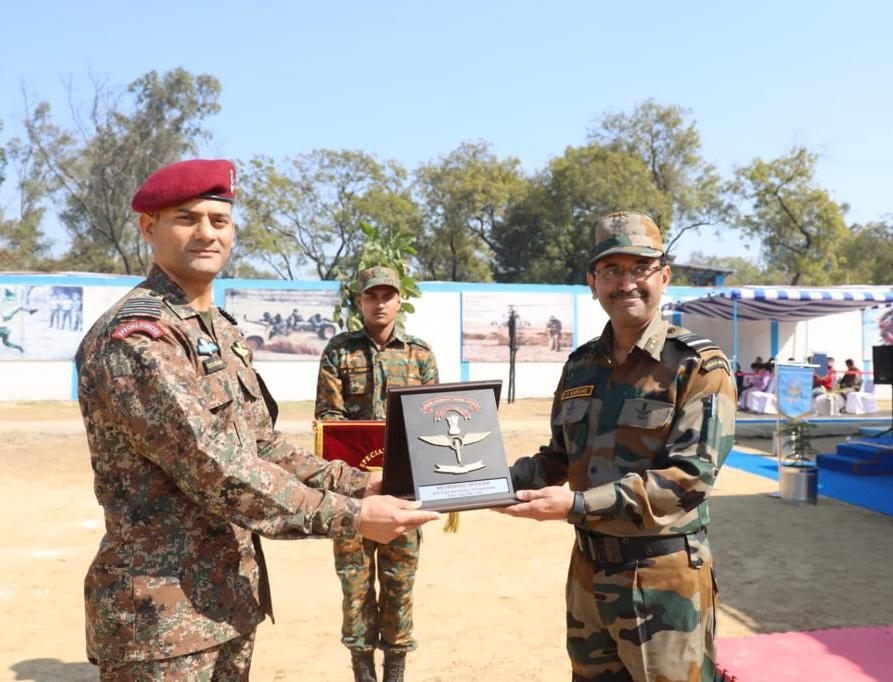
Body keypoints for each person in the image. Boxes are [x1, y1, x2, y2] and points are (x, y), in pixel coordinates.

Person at [75, 159, 439, 681]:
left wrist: (367, 482)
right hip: (160, 621)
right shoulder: (138, 339)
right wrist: (351, 517)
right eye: (187, 218)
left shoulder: (217, 330)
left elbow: (263, 448)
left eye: (219, 221)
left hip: (225, 601)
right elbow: (216, 468)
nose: (206, 233)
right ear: (148, 227)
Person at [498, 211, 737, 681]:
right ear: (592, 282)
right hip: (588, 574)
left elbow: (688, 478)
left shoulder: (698, 366)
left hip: (663, 579)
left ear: (664, 277)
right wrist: (476, 483)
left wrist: (577, 503)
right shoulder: (581, 365)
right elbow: (557, 458)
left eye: (639, 268)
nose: (625, 283)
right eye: (611, 270)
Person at [315, 265, 439, 682]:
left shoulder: (419, 354)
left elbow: (432, 419)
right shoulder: (339, 351)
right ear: (360, 301)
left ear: (400, 300)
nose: (380, 302)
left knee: (400, 581)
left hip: (403, 491)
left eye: (388, 295)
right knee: (355, 585)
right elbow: (328, 420)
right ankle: (363, 671)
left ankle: (396, 672)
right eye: (372, 295)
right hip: (353, 493)